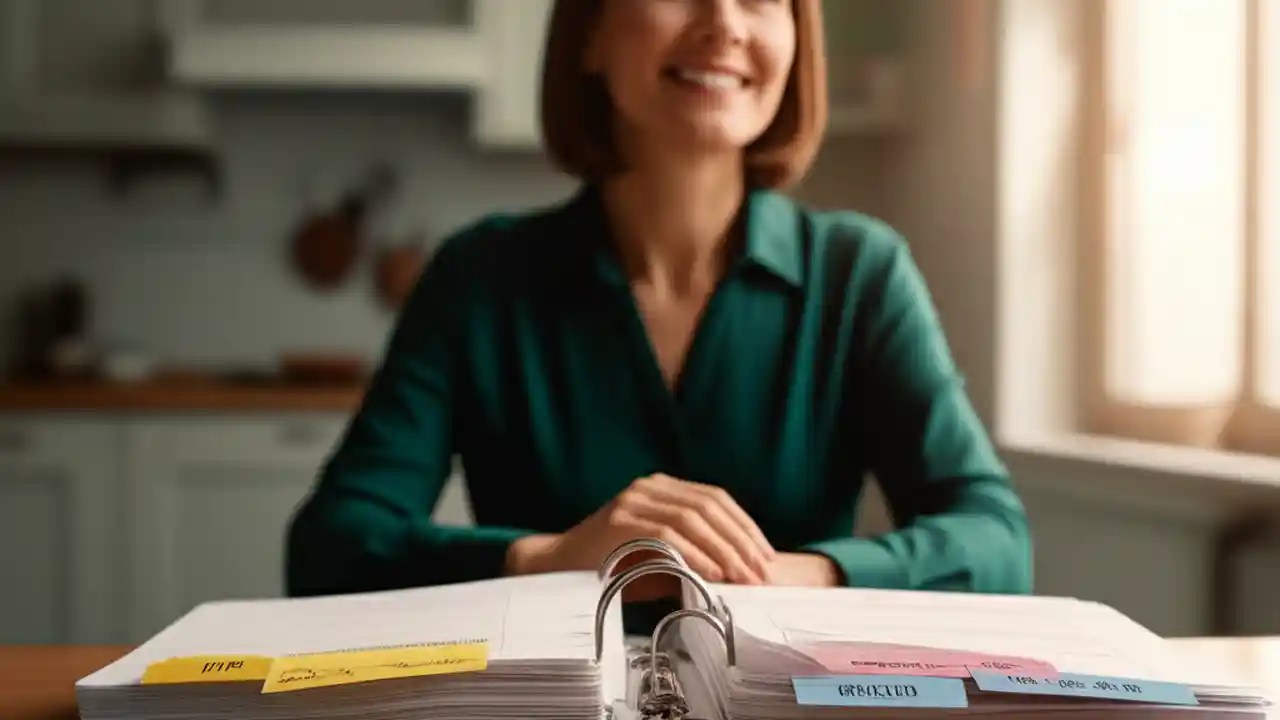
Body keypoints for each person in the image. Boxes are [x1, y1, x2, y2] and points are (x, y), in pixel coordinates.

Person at [285, 0, 1033, 619]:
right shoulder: (478, 278)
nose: (724, 23)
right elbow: (329, 546)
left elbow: (996, 544)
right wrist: (550, 558)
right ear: (591, 33)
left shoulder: (860, 273)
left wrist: (796, 575)